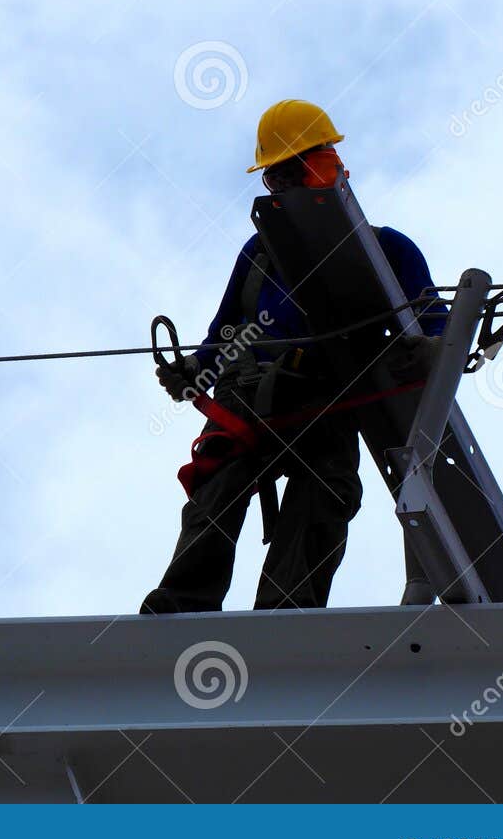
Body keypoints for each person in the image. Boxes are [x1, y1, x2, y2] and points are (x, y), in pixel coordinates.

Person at [140, 99, 447, 615]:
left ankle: (288, 612)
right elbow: (226, 334)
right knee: (216, 496)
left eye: (321, 165)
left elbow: (433, 320)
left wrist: (434, 351)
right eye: (277, 178)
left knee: (324, 496)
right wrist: (195, 369)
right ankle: (182, 607)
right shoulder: (260, 253)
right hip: (251, 398)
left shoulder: (383, 250)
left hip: (327, 401)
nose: (292, 186)